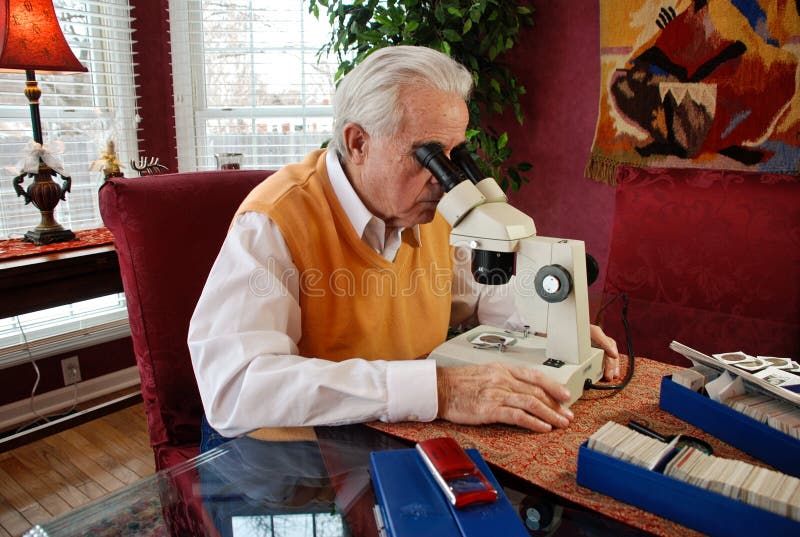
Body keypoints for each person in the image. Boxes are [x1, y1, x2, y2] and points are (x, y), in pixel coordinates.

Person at [188, 46, 620, 450]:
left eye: (454, 155)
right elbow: (236, 387)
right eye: (428, 156)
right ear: (358, 142)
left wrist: (556, 324)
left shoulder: (431, 210)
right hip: (285, 459)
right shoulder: (274, 221)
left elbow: (486, 293)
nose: (444, 177)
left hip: (392, 436)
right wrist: (438, 389)